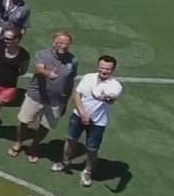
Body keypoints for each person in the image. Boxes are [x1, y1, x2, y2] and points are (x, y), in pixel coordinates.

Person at [9, 31, 77, 161]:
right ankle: (18, 142)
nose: (63, 46)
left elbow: (70, 82)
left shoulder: (73, 60)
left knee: (46, 126)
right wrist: (48, 74)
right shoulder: (43, 54)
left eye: (66, 44)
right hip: (35, 95)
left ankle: (34, 146)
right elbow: (39, 68)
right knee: (24, 121)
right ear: (54, 43)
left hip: (56, 101)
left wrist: (65, 102)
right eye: (60, 43)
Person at [59, 55, 123, 187]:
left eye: (107, 69)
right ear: (98, 66)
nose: (104, 71)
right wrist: (82, 113)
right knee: (71, 139)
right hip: (78, 116)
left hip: (98, 123)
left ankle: (87, 171)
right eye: (102, 68)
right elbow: (77, 95)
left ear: (113, 70)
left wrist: (107, 98)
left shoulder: (115, 85)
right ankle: (65, 161)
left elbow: (112, 99)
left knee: (92, 149)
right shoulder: (88, 77)